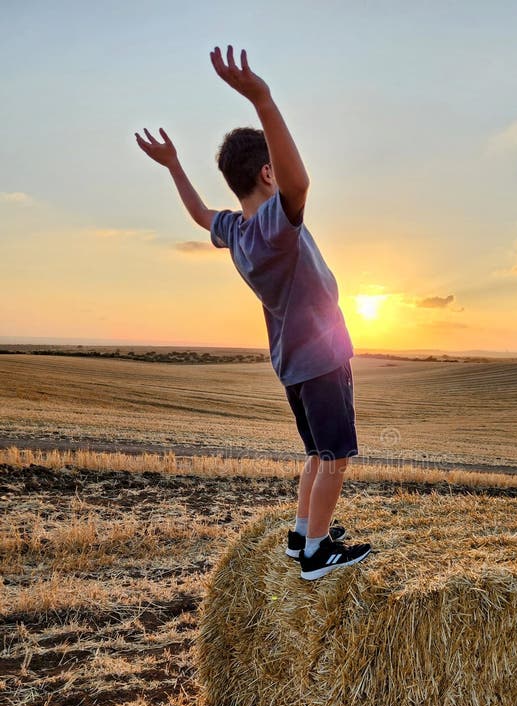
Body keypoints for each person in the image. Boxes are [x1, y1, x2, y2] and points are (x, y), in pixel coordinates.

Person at [135, 43, 371, 580]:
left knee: (315, 452)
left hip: (291, 363)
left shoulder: (236, 232)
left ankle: (301, 531)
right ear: (267, 173)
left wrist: (173, 165)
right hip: (322, 359)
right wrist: (262, 98)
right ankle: (316, 553)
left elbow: (199, 215)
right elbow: (300, 183)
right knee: (335, 457)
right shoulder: (271, 228)